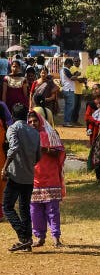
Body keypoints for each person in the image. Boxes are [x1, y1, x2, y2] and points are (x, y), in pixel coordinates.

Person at [2, 103, 41, 252]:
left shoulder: (12, 128)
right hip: (29, 176)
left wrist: (5, 167)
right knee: (24, 209)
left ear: (12, 115)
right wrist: (29, 165)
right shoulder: (34, 133)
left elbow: (14, 147)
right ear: (26, 116)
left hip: (15, 175)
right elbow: (38, 156)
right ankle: (28, 239)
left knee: (7, 206)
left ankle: (23, 237)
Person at [28, 110, 66, 248]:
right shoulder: (26, 136)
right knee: (34, 210)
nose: (33, 124)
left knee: (52, 210)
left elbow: (59, 152)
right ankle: (39, 237)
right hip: (33, 179)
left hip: (50, 177)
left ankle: (56, 237)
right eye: (30, 122)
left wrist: (45, 150)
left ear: (40, 121)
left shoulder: (50, 134)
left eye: (35, 121)